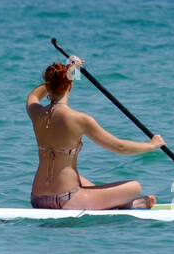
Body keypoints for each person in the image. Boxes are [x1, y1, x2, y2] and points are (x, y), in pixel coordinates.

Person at [26, 56, 164, 209]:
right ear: (69, 86)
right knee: (135, 187)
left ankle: (125, 203)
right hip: (65, 200)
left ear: (49, 86)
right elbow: (120, 147)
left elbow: (33, 96)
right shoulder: (79, 119)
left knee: (81, 179)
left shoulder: (36, 113)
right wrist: (151, 145)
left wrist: (67, 72)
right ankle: (126, 203)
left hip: (37, 198)